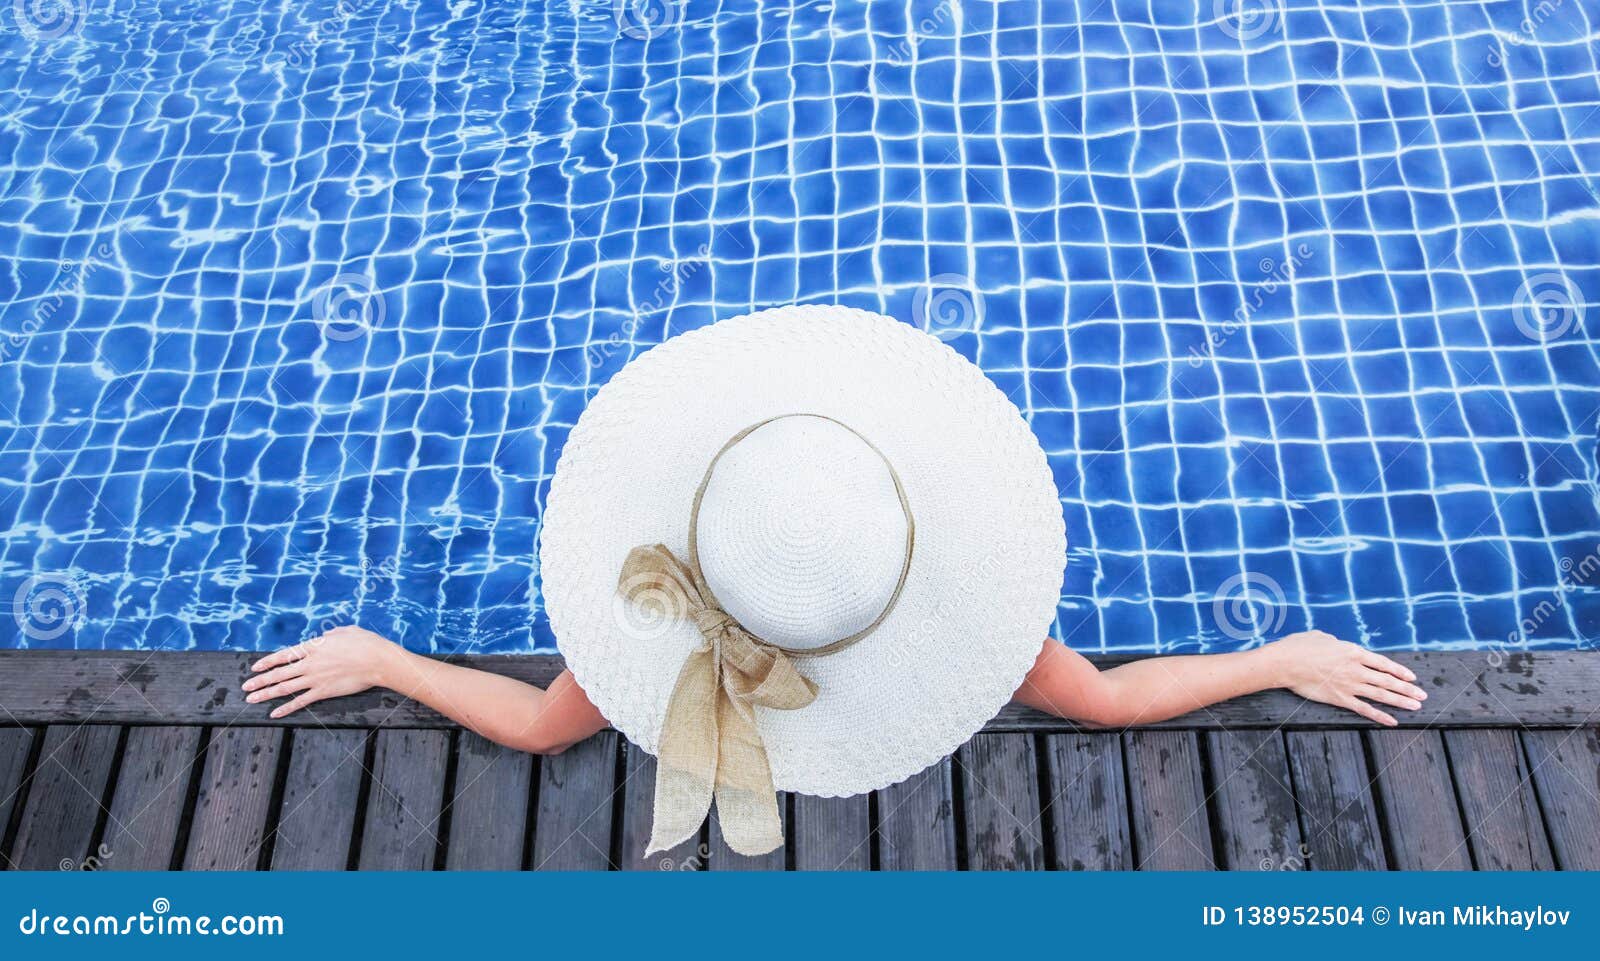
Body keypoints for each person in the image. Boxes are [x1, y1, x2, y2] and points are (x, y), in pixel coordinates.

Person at [242, 624, 1426, 757]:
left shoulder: (674, 635)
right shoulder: (967, 617)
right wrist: (1269, 659)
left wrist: (392, 659)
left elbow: (544, 729)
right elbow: (1105, 702)